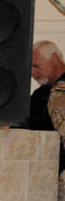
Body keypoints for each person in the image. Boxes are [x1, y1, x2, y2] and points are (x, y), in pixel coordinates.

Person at [29, 40, 65, 188]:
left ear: (54, 58)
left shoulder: (59, 91)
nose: (32, 73)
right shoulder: (40, 95)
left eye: (37, 65)